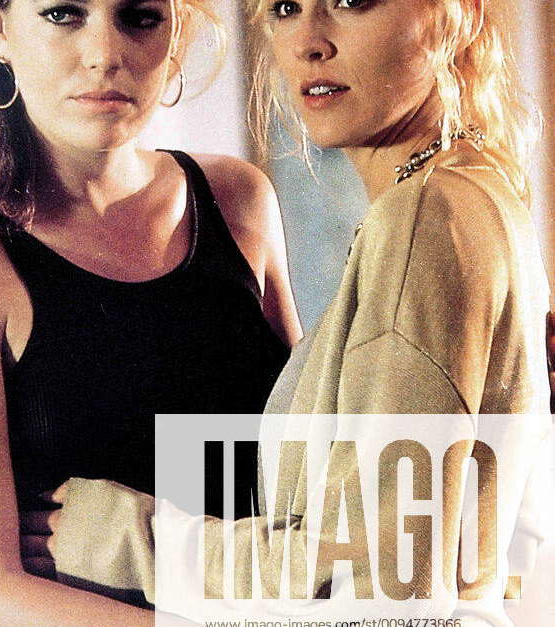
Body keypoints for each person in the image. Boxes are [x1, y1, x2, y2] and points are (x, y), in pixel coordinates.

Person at [46, 0, 553, 621]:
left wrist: (122, 538)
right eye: (285, 8)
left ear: (458, 15)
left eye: (351, 2)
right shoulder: (477, 189)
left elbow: (375, 586)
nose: (310, 42)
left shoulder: (424, 216)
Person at [0, 0, 302, 624]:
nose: (105, 55)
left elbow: (307, 482)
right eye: (62, 15)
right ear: (0, 29)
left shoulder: (238, 200)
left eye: (140, 17)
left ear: (177, 32)